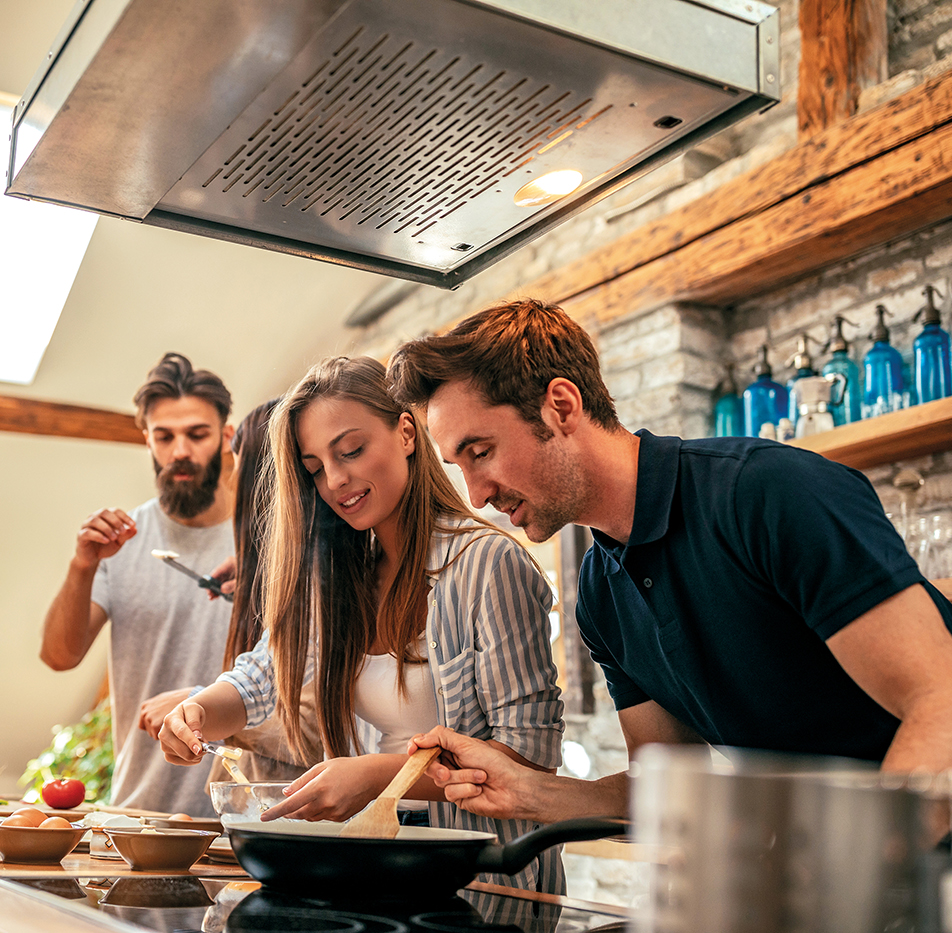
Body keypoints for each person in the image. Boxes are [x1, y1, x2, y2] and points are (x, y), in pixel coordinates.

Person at [384, 298, 952, 825]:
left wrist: (841, 884)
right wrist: (530, 791)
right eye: (458, 464)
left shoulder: (764, 493)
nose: (477, 494)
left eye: (479, 450)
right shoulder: (599, 591)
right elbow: (667, 783)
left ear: (561, 406)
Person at [159, 356, 566, 894]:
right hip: (378, 871)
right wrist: (197, 713)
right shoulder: (341, 578)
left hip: (486, 881)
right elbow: (260, 675)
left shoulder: (486, 564)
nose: (335, 480)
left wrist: (380, 776)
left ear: (405, 433)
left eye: (351, 451)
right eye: (314, 467)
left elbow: (530, 758)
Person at [40, 352, 236, 816]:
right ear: (147, 439)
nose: (180, 451)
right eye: (165, 437)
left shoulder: (267, 538)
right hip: (138, 815)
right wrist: (83, 564)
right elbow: (59, 656)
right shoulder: (121, 540)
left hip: (241, 816)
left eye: (197, 434)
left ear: (226, 437)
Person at [199, 399, 326, 783]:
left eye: (240, 476)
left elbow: (316, 733)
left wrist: (203, 705)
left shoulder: (326, 585)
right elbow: (259, 673)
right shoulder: (287, 577)